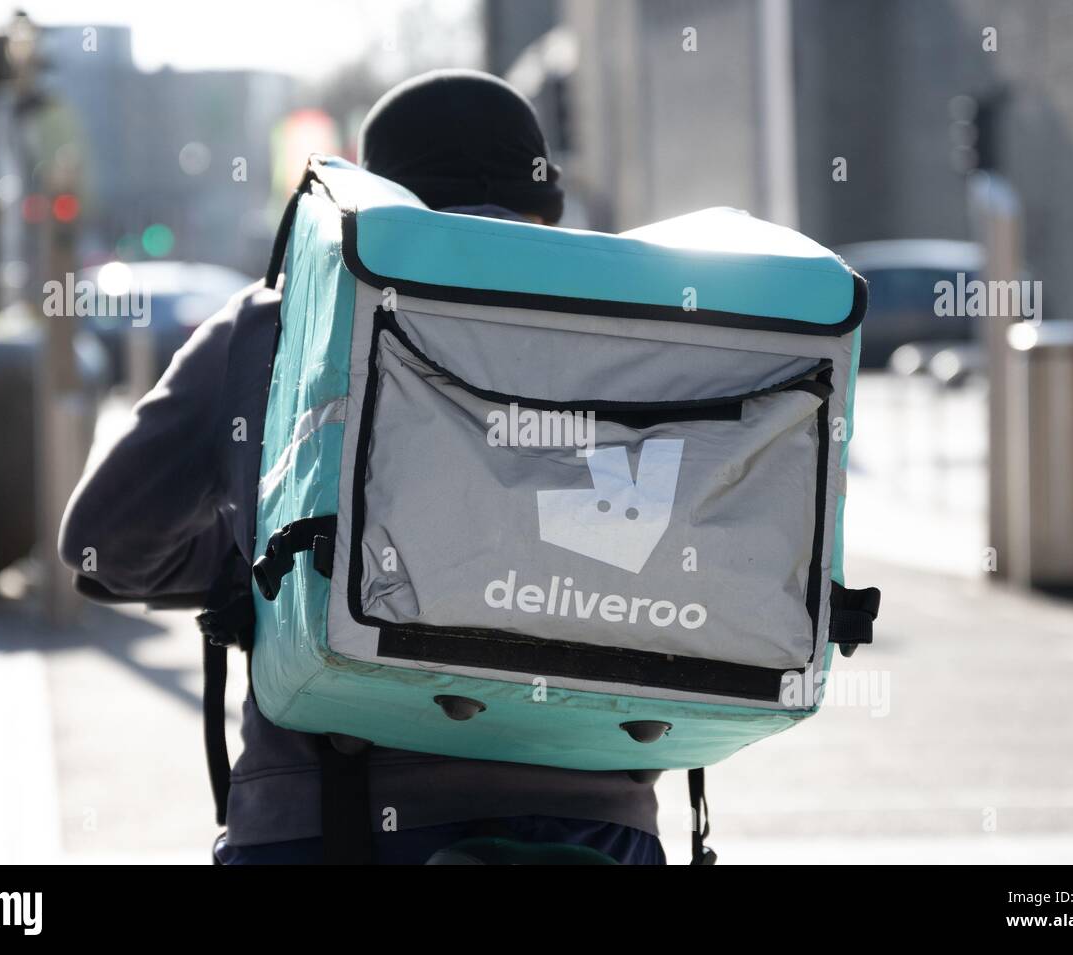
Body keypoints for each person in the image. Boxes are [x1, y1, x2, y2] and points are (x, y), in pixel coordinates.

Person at [59, 69, 663, 865]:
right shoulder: (639, 331)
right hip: (600, 826)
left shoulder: (277, 323)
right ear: (542, 205)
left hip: (328, 819)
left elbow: (103, 539)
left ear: (373, 198)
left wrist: (275, 572)